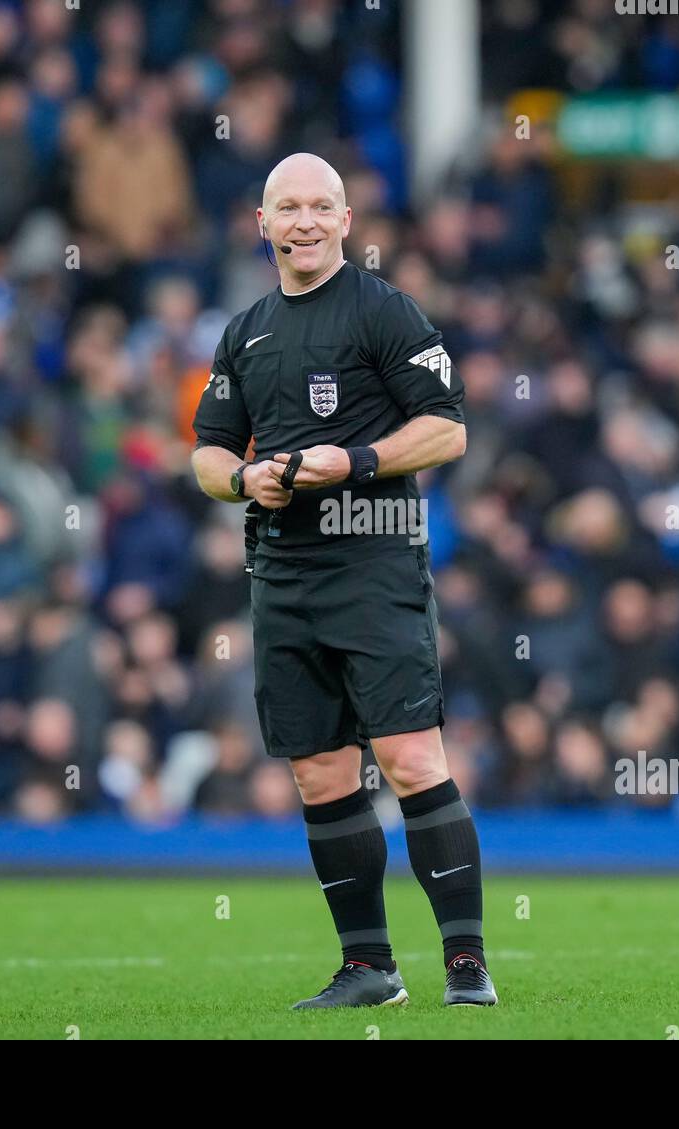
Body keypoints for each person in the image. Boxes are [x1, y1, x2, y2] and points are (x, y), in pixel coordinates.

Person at [190, 153, 496, 1008]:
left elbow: (448, 431)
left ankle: (466, 962)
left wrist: (353, 460)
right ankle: (370, 966)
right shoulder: (244, 329)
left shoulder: (384, 309)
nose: (306, 221)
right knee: (320, 775)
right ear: (262, 223)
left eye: (322, 206)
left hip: (374, 560)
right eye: (288, 207)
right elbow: (208, 452)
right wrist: (244, 479)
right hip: (281, 571)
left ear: (348, 220)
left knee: (407, 755)